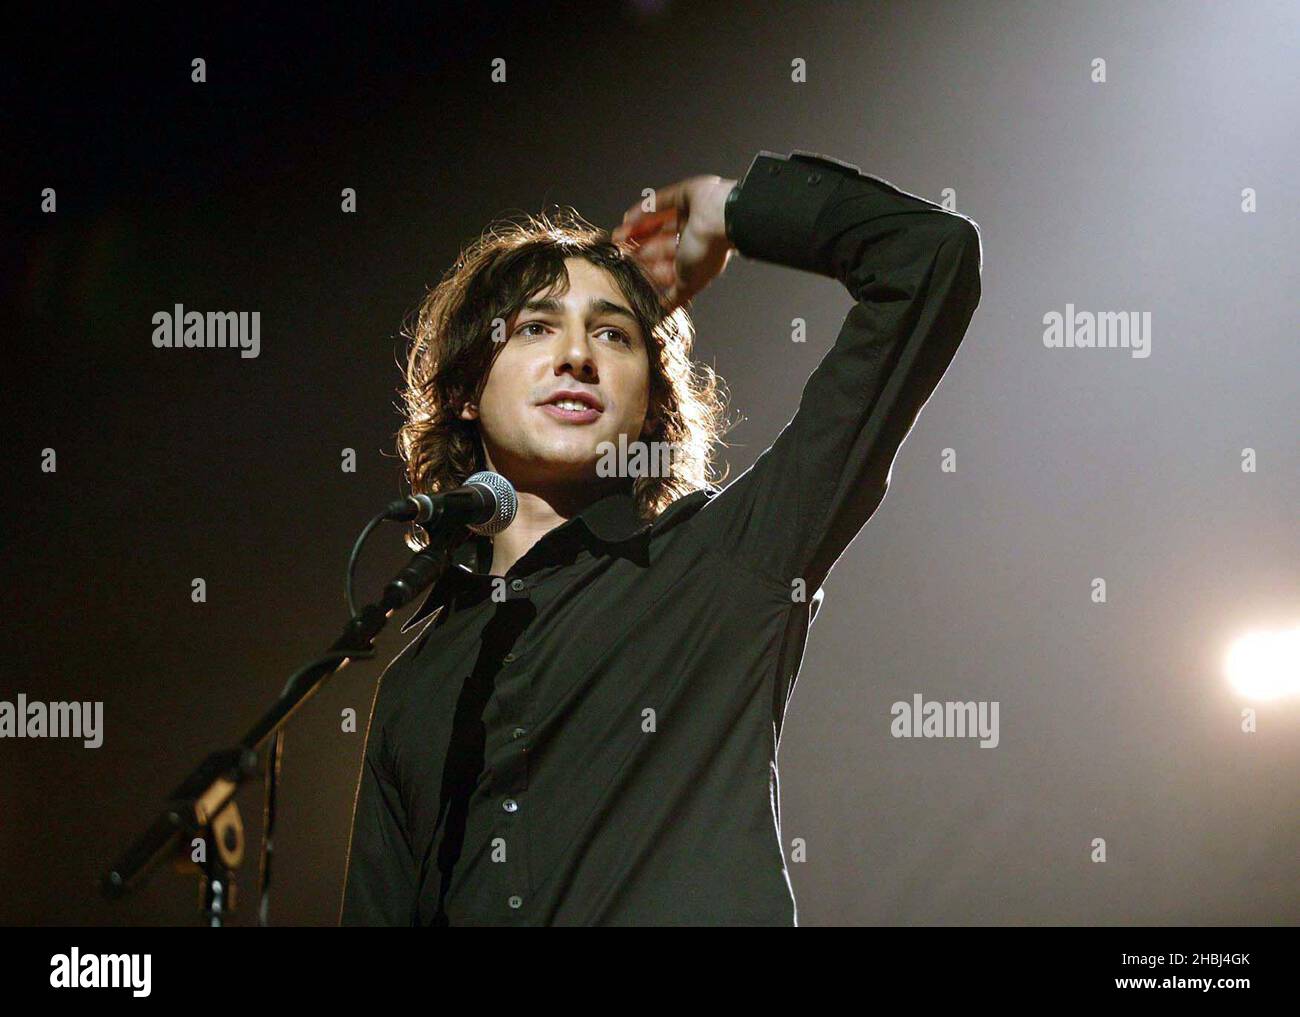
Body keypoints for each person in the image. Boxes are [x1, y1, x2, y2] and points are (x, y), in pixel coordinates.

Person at [339, 148, 983, 925]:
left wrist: (733, 211)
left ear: (648, 405)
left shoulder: (730, 557)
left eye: (613, 335)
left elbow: (931, 258)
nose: (577, 355)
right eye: (536, 326)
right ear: (465, 390)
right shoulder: (416, 684)